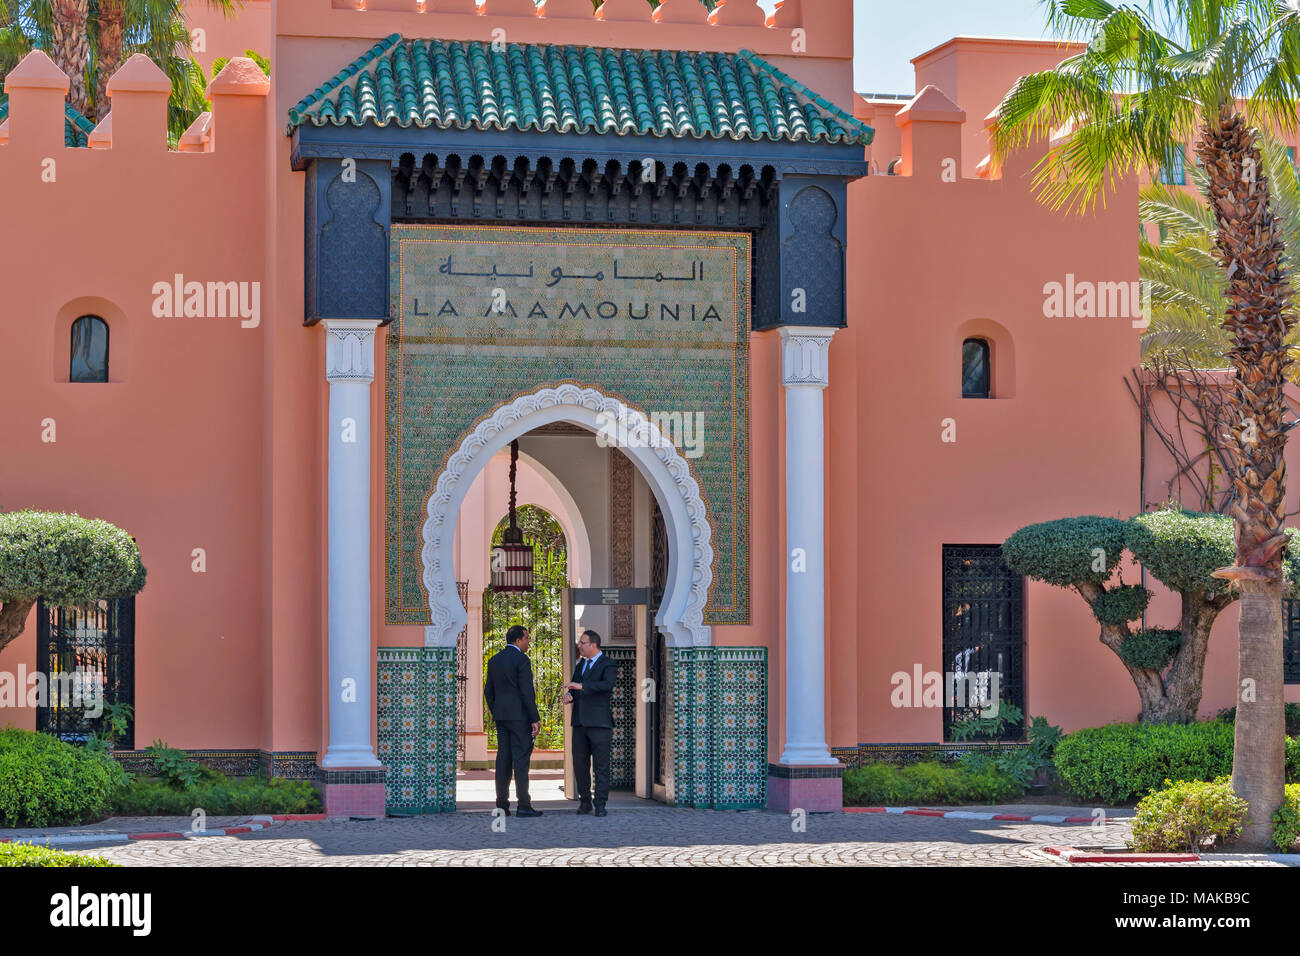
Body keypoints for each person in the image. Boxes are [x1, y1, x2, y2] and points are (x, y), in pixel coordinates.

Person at [484, 624, 542, 817]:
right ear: (518, 640)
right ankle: (524, 805)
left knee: (503, 759)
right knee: (521, 760)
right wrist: (534, 718)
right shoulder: (522, 660)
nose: (528, 642)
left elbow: (488, 692)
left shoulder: (494, 660)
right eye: (526, 638)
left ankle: (502, 805)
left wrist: (497, 711)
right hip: (519, 718)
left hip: (502, 717)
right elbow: (527, 692)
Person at [563, 629, 618, 817]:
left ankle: (600, 804)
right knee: (580, 764)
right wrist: (569, 695)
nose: (579, 646)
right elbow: (575, 686)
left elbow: (607, 685)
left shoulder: (608, 664)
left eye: (582, 643)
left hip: (600, 724)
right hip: (579, 723)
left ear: (593, 645)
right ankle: (585, 802)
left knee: (601, 766)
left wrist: (582, 686)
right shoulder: (581, 665)